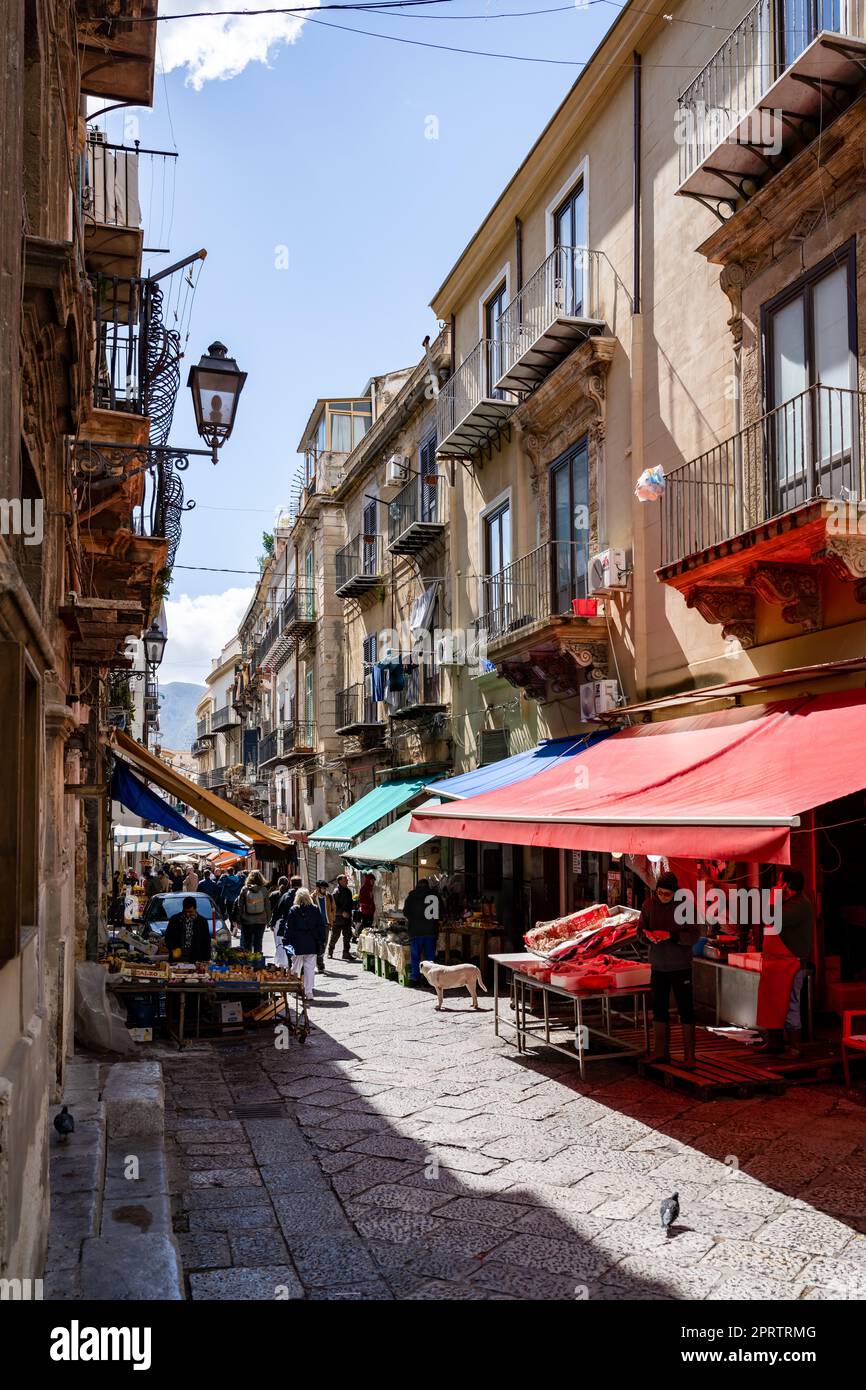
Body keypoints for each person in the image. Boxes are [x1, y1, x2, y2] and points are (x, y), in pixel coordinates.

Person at [637, 871, 700, 1069]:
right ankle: (660, 1052)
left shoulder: (686, 906)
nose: (663, 897)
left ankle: (690, 1056)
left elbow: (695, 935)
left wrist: (671, 936)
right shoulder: (648, 905)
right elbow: (639, 931)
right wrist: (647, 936)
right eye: (660, 893)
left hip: (681, 966)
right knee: (659, 1009)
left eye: (667, 894)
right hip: (658, 965)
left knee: (686, 1009)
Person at [758, 866, 815, 1057]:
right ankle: (774, 1042)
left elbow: (771, 917)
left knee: (791, 1003)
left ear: (787, 885)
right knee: (771, 1002)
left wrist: (774, 897)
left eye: (779, 881)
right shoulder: (786, 901)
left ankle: (795, 1047)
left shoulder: (800, 904)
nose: (776, 885)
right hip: (774, 962)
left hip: (792, 963)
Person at [284, 888, 327, 1001]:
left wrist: (286, 942)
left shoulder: (293, 910)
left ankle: (295, 989)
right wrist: (322, 940)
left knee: (295, 967)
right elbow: (320, 926)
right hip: (311, 943)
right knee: (310, 969)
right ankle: (309, 992)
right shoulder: (315, 909)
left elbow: (289, 928)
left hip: (297, 944)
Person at [402, 877, 441, 985]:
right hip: (431, 930)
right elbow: (441, 912)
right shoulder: (435, 895)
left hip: (416, 930)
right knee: (430, 957)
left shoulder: (412, 896)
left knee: (415, 956)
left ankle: (415, 978)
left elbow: (405, 913)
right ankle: (429, 980)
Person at [164, 896, 212, 966]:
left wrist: (206, 960)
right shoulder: (174, 920)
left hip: (196, 959)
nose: (187, 914)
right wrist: (173, 948)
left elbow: (206, 942)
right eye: (185, 911)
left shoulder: (202, 922)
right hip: (177, 959)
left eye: (190, 912)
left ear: (195, 909)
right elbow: (168, 937)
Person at [236, 870, 269, 954]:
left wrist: (238, 920)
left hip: (247, 921)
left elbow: (240, 906)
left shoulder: (244, 889)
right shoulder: (264, 890)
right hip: (261, 921)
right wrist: (268, 920)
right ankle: (258, 964)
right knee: (258, 942)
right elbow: (268, 906)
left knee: (247, 943)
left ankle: (248, 964)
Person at [330, 874, 356, 962]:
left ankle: (346, 953)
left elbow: (350, 904)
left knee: (347, 937)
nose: (347, 882)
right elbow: (333, 907)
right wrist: (341, 913)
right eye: (345, 880)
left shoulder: (348, 891)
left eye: (347, 880)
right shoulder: (336, 892)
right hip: (338, 919)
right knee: (334, 936)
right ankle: (330, 952)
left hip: (347, 919)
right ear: (340, 881)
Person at [312, 880, 335, 970]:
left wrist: (331, 919)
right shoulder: (312, 897)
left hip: (326, 924)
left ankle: (320, 961)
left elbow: (333, 908)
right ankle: (319, 963)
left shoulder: (329, 897)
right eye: (323, 888)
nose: (325, 890)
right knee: (316, 943)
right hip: (316, 926)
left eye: (325, 888)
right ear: (318, 888)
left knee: (324, 944)